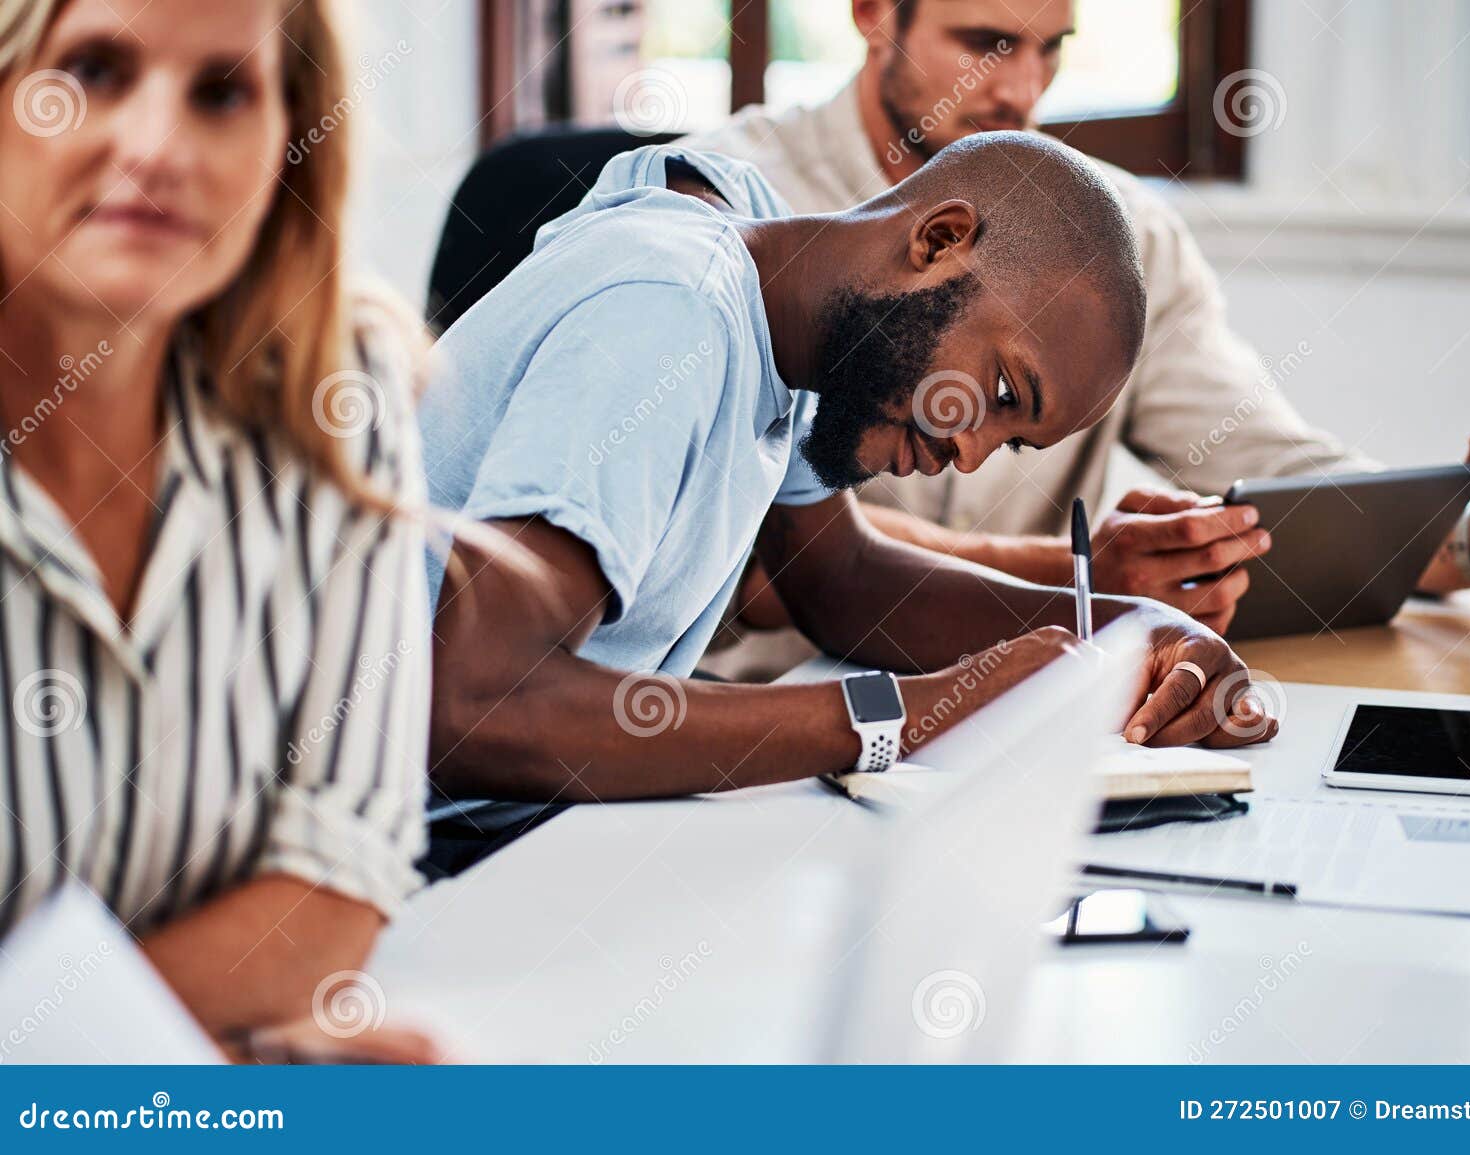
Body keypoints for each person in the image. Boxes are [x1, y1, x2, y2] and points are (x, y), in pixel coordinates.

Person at [423, 132, 1280, 806]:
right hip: (395, 845)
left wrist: (1139, 630)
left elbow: (842, 578)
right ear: (940, 240)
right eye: (1002, 389)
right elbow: (483, 703)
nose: (970, 448)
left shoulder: (772, 262)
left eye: (1012, 441)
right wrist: (898, 717)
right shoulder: (673, 313)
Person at [680, 0, 1470, 677]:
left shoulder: (1117, 246)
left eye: (1050, 49)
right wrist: (1075, 578)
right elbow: (760, 544)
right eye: (985, 42)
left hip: (1026, 706)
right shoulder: (729, 214)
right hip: (758, 713)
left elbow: (1275, 474)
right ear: (872, 12)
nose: (1019, 88)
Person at [0, 0, 432, 1054]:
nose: (158, 148)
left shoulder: (339, 399)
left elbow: (339, 874)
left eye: (223, 92)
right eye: (94, 70)